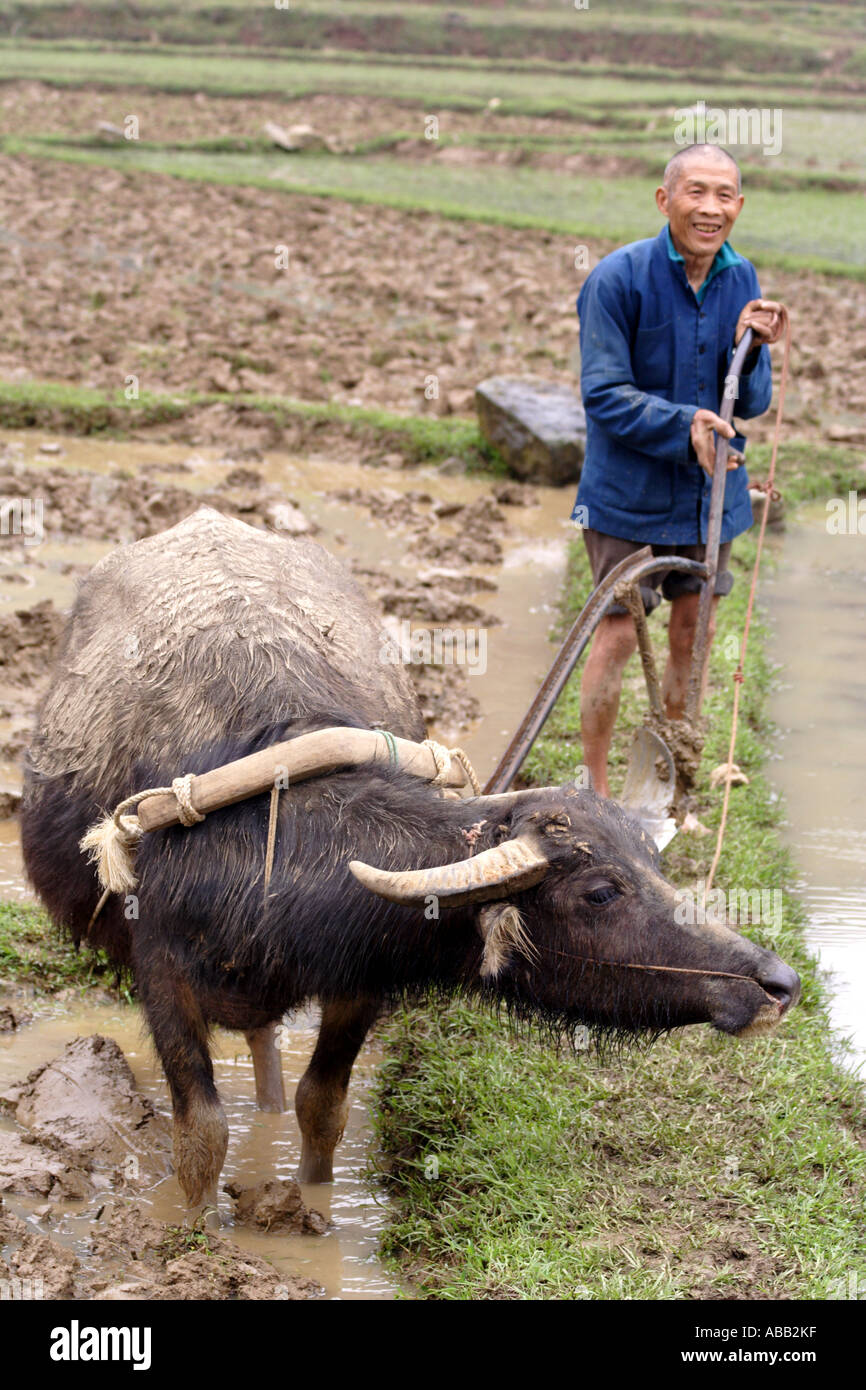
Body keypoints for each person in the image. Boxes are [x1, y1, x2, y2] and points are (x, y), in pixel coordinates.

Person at [573, 142, 784, 799]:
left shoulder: (742, 279)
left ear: (739, 205)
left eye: (724, 195)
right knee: (617, 633)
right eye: (696, 192)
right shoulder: (617, 278)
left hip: (707, 493)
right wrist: (683, 424)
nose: (710, 207)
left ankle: (673, 788)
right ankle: (597, 790)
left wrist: (753, 350)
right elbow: (603, 393)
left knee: (692, 639)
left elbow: (751, 402)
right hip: (628, 493)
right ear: (665, 200)